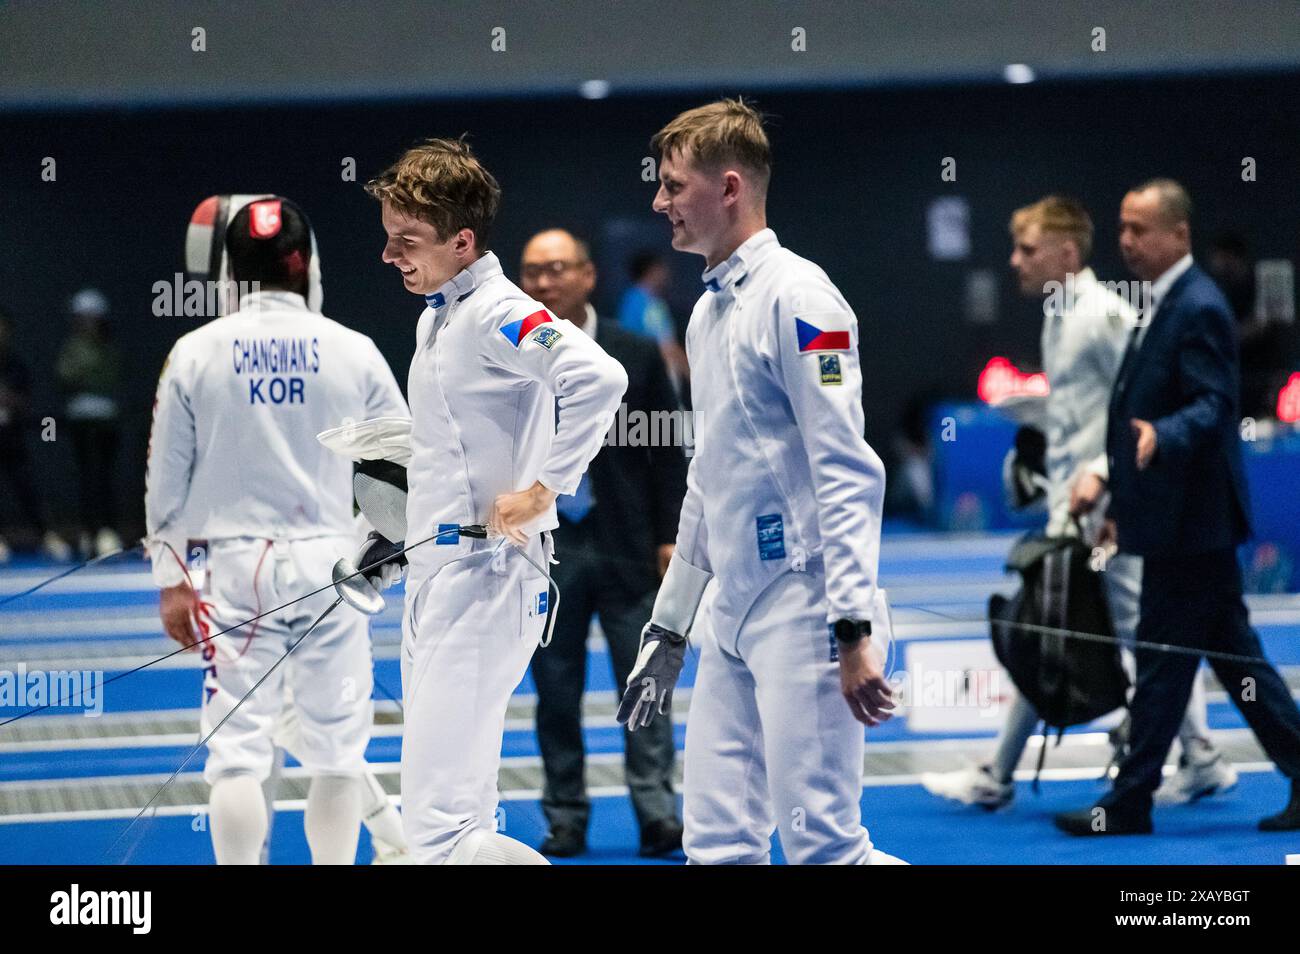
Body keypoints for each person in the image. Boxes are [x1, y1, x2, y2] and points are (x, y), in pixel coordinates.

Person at [616, 98, 905, 864]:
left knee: (826, 849)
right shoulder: (708, 314)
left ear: (730, 188)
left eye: (674, 186)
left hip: (806, 605)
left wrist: (851, 628)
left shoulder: (801, 298)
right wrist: (671, 624)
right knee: (715, 842)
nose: (659, 203)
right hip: (734, 611)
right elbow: (708, 481)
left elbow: (847, 471)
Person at [362, 139, 627, 865]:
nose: (391, 256)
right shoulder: (437, 317)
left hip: (487, 583)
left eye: (406, 242)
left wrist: (545, 488)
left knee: (438, 831)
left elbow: (600, 378)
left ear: (463, 241)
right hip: (439, 578)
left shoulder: (498, 311)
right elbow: (447, 454)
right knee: (458, 817)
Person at [921, 196, 1234, 810]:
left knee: (1064, 624)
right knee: (1112, 628)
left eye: (1028, 250)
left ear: (1066, 254)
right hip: (1078, 505)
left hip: (1110, 507)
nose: (1015, 261)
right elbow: (1082, 409)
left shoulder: (1103, 316)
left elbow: (1143, 404)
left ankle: (997, 774)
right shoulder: (1060, 315)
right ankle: (1202, 755)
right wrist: (1033, 441)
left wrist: (1103, 477)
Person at [146, 196, 409, 863]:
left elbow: (165, 480)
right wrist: (377, 551)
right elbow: (407, 462)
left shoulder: (194, 351)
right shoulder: (354, 350)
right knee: (337, 756)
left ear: (232, 271)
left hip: (233, 568)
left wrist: (171, 579)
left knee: (237, 754)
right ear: (305, 265)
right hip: (331, 564)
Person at [1056, 179, 1300, 835]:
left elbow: (1214, 404)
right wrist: (1122, 499)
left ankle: (1131, 800)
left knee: (1164, 663)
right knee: (1232, 656)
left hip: (1192, 523)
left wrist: (1164, 435)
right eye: (1123, 229)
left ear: (1179, 235)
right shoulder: (1168, 302)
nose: (1127, 242)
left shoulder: (1198, 306)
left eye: (1140, 229)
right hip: (1180, 520)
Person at [519, 228, 687, 858]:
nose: (543, 282)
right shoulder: (511, 355)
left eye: (557, 268)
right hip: (547, 549)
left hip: (628, 543)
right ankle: (565, 816)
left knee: (645, 685)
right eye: (532, 271)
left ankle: (656, 812)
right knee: (555, 692)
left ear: (588, 275)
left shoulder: (635, 353)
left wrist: (671, 536)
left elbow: (670, 452)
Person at [0, 309, 72, 562]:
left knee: (26, 488)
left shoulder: (16, 365)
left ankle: (46, 535)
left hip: (12, 436)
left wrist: (10, 399)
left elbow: (24, 402)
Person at [56, 288, 124, 558]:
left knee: (105, 477)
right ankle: (89, 531)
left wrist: (89, 370)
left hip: (106, 419)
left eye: (90, 317)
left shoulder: (109, 347)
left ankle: (108, 531)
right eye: (80, 317)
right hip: (80, 419)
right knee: (86, 477)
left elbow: (107, 378)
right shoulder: (71, 348)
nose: (85, 322)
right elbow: (66, 377)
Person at [617, 251, 689, 388]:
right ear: (651, 270)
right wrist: (689, 373)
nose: (666, 273)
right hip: (649, 375)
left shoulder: (652, 301)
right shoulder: (641, 303)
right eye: (661, 268)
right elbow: (666, 345)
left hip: (654, 372)